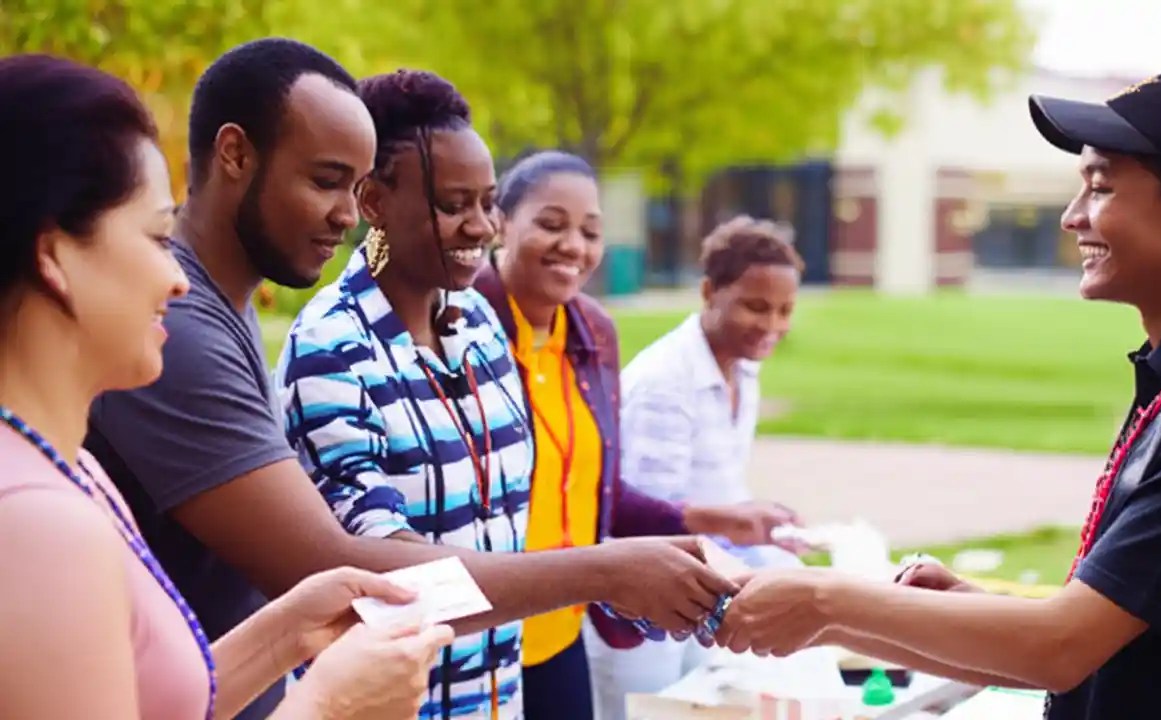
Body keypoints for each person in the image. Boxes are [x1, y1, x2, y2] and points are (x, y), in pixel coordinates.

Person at [83, 42, 732, 720]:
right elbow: (329, 570)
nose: (346, 213)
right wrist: (608, 571)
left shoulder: (460, 318)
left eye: (352, 186)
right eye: (327, 180)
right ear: (237, 154)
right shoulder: (194, 329)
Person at [715, 61, 1161, 720]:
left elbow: (1062, 650)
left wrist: (822, 601)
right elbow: (1116, 634)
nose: (1073, 218)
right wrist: (955, 610)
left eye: (1100, 187)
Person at [0, 53, 454, 720]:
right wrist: (330, 707)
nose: (176, 279)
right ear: (55, 255)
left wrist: (286, 631)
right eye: (155, 237)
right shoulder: (37, 526)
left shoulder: (74, 467)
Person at [274, 71, 737, 719]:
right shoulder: (333, 348)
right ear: (374, 200)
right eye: (452, 204)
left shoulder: (480, 325)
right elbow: (384, 575)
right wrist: (604, 571)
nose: (481, 227)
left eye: (488, 202)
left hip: (503, 697)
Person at [471, 152, 803, 719]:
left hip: (561, 629)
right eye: (551, 224)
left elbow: (600, 491)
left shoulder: (593, 331)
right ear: (499, 221)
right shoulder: (463, 326)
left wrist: (724, 526)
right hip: (482, 633)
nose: (573, 245)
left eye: (590, 231)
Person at [575, 214, 806, 717]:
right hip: (641, 611)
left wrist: (768, 535)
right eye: (755, 306)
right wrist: (740, 528)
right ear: (708, 292)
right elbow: (644, 515)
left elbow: (721, 487)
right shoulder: (665, 381)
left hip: (709, 590)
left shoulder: (745, 368)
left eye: (784, 310)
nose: (772, 325)